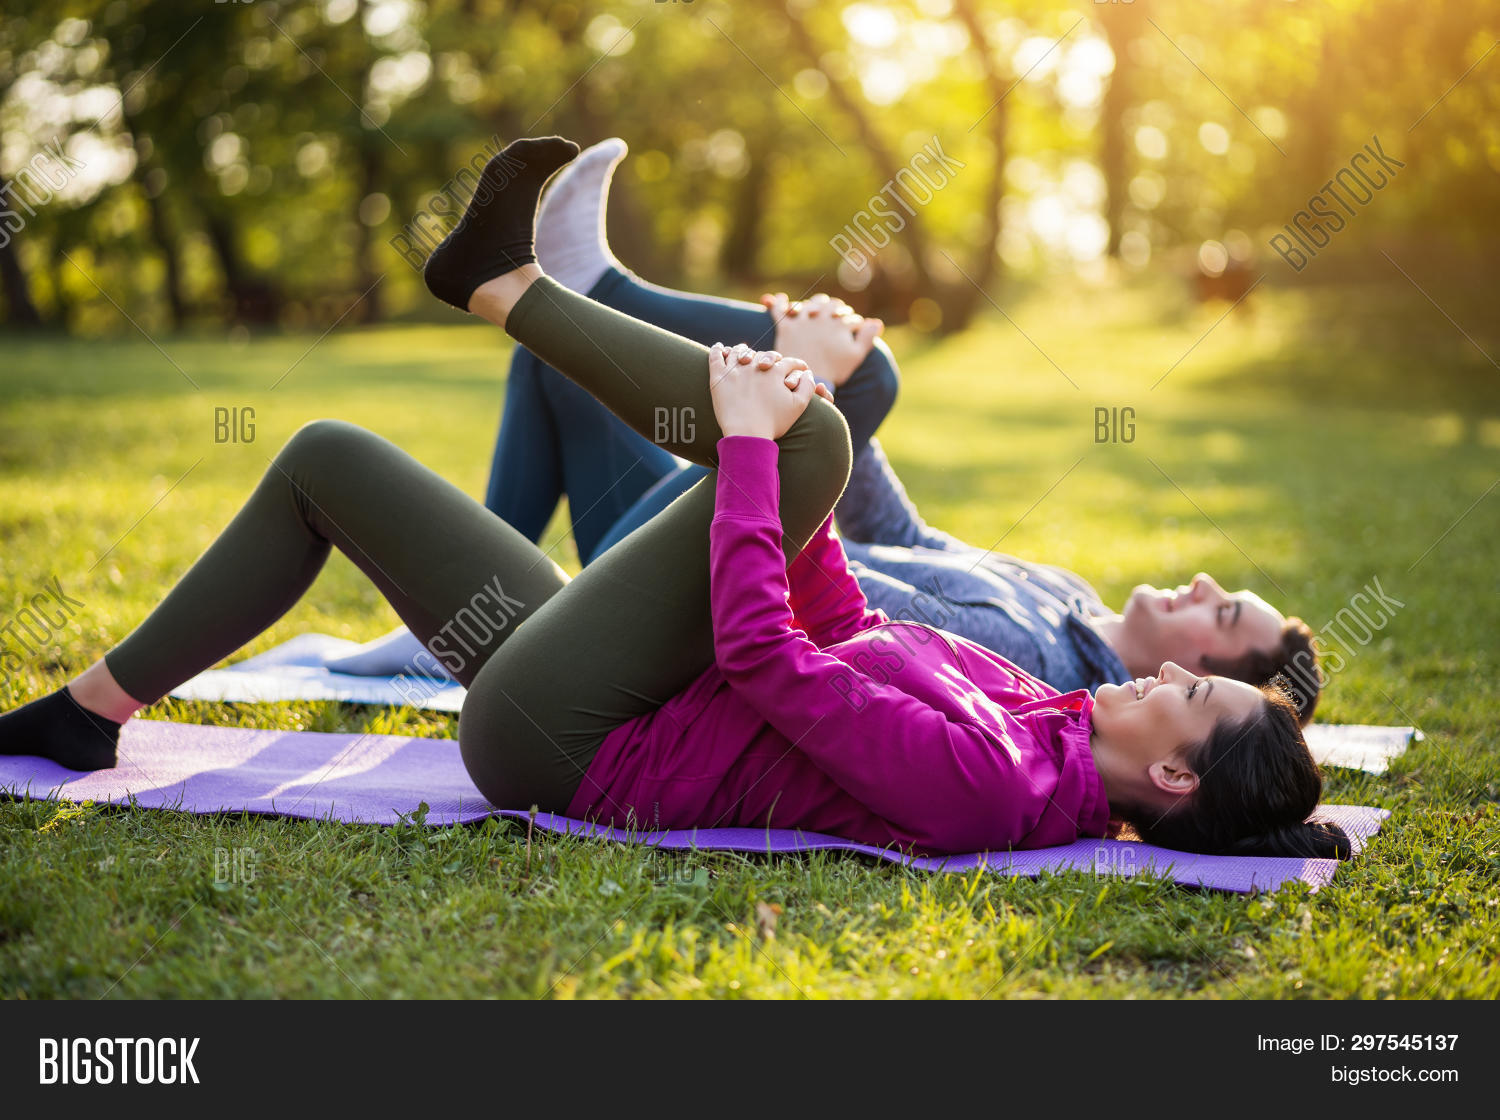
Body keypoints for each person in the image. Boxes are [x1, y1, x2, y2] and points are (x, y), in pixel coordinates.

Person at [0, 136, 1348, 859]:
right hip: (610, 686)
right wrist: (779, 488)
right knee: (327, 458)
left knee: (812, 445)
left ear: (1173, 771)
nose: (1166, 674)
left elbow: (767, 660)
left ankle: (510, 285)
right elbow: (841, 626)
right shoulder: (1044, 725)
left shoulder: (991, 786)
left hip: (569, 742)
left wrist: (759, 458)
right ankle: (88, 712)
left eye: (1190, 689)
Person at [330, 139, 1323, 723]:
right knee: (557, 356)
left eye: (1222, 613)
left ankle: (595, 283)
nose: (1204, 583)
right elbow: (902, 535)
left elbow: (824, 601)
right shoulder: (1067, 599)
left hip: (680, 586)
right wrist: (823, 391)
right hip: (682, 548)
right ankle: (454, 624)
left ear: (1192, 679)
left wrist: (816, 387)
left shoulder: (1046, 668)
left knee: (871, 374)